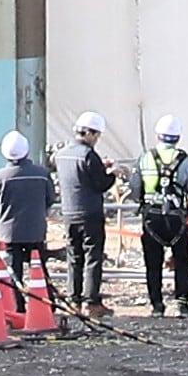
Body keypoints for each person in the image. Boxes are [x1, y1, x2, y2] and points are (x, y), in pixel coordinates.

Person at [0, 130, 58, 321]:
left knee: (13, 273)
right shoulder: (42, 174)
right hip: (36, 230)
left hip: (9, 233)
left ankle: (18, 308)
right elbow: (50, 199)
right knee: (39, 269)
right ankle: (47, 304)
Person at [135, 116, 188, 317]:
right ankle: (182, 303)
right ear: (177, 137)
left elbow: (135, 189)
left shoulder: (145, 158)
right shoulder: (183, 159)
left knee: (153, 263)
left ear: (158, 135)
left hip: (152, 218)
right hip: (176, 218)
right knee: (181, 261)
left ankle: (157, 305)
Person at [58, 112, 116, 315]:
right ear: (90, 133)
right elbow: (100, 183)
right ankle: (91, 302)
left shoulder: (62, 154)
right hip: (90, 213)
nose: (97, 140)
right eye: (97, 135)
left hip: (68, 212)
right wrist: (113, 174)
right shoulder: (89, 155)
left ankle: (74, 300)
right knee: (93, 256)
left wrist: (101, 168)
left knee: (74, 257)